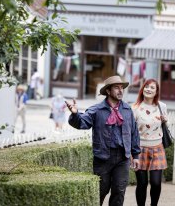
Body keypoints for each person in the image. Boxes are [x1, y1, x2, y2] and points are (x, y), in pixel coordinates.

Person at [65, 75, 141, 206]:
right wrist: (75, 114)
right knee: (101, 191)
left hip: (123, 157)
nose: (120, 90)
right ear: (108, 91)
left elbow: (134, 133)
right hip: (103, 157)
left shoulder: (127, 110)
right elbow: (82, 123)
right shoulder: (96, 110)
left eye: (121, 87)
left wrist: (136, 155)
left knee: (119, 191)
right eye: (116, 87)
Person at [131, 78, 168, 206]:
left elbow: (164, 127)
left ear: (156, 91)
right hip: (140, 149)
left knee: (156, 183)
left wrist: (165, 120)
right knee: (142, 184)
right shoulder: (135, 108)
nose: (149, 89)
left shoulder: (162, 106)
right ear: (142, 89)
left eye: (152, 87)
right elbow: (131, 131)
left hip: (157, 148)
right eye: (147, 86)